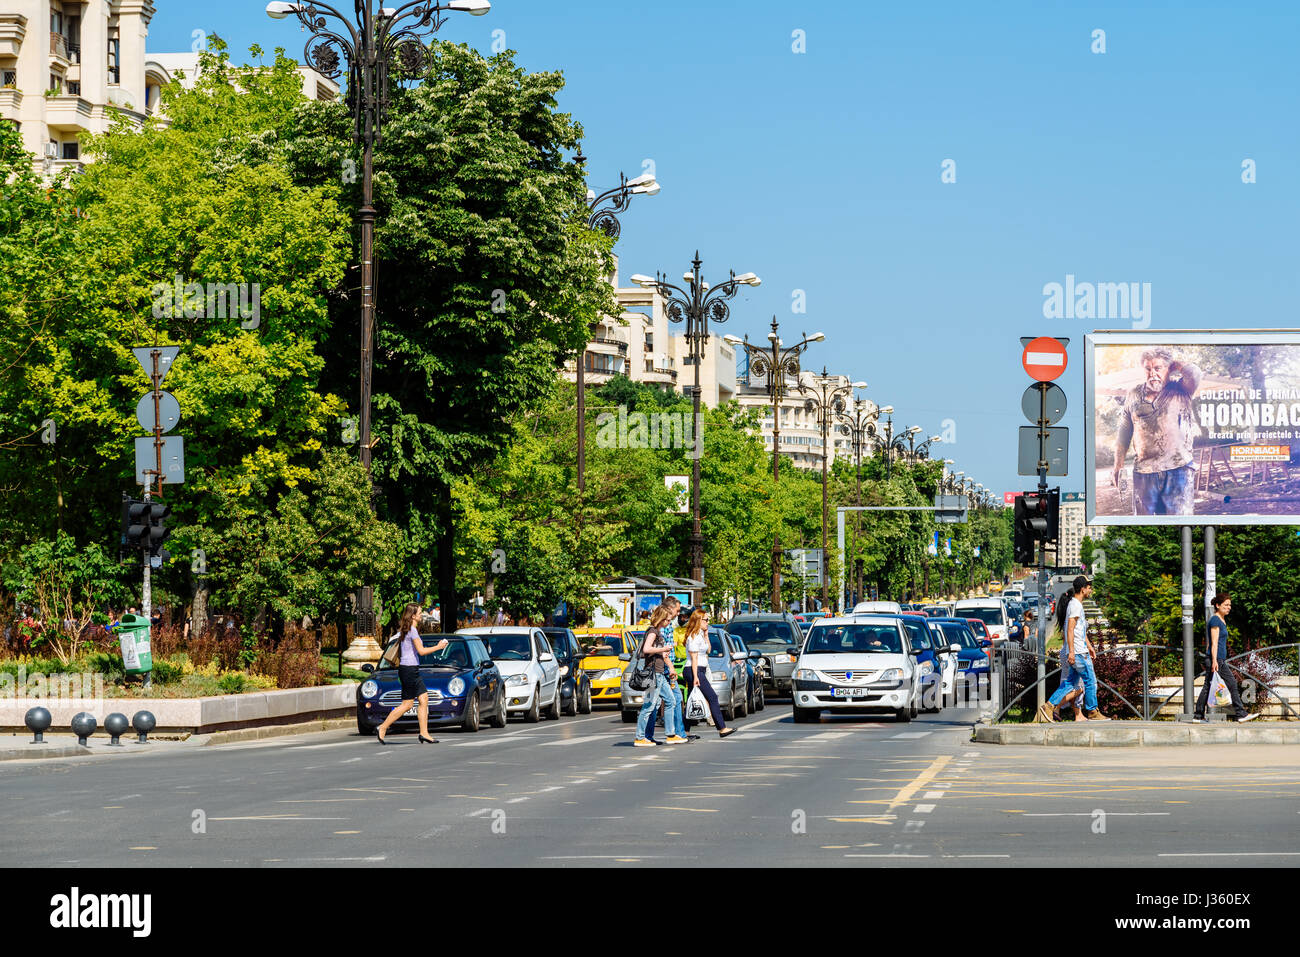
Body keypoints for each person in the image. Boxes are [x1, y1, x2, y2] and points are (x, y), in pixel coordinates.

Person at [1112, 347, 1202, 516]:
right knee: (1145, 529)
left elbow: (1196, 374)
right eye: (1148, 368)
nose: (1152, 373)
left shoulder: (1182, 389)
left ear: (1169, 369)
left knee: (1179, 526)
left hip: (1179, 469)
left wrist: (1179, 365)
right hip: (1144, 472)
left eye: (1158, 368)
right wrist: (1118, 466)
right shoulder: (1133, 394)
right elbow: (1124, 431)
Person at [374, 603, 449, 745]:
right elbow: (421, 651)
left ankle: (424, 733)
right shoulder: (412, 631)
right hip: (408, 670)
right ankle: (382, 727)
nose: (421, 615)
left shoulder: (407, 629)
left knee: (424, 699)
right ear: (413, 615)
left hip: (411, 669)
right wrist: (439, 647)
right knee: (407, 704)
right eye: (420, 613)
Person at [1037, 576, 1108, 722]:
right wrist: (1072, 651)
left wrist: (1089, 646)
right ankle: (1093, 711)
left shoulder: (1074, 604)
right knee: (1090, 680)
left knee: (1070, 683)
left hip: (1080, 650)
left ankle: (1049, 706)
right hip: (1078, 652)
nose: (1090, 590)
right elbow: (1070, 630)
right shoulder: (1076, 605)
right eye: (1089, 587)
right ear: (1082, 589)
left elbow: (1078, 631)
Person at [1194, 594, 1256, 722]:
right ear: (1217, 605)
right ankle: (1241, 714)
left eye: (1230, 605)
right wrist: (1215, 661)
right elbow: (1214, 643)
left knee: (1207, 686)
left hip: (1217, 659)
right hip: (1216, 659)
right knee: (1232, 683)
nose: (1229, 608)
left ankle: (1198, 715)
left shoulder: (1221, 620)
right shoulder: (1215, 620)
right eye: (1226, 605)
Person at [634, 598, 687, 747]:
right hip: (653, 674)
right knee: (650, 705)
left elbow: (662, 655)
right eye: (667, 620)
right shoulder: (653, 631)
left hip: (659, 672)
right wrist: (663, 649)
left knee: (670, 701)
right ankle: (640, 737)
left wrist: (670, 667)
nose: (668, 623)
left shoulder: (658, 632)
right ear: (661, 619)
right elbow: (646, 649)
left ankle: (670, 734)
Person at [682, 608, 735, 739]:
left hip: (699, 670)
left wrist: (706, 635)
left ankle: (685, 731)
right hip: (694, 670)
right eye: (705, 620)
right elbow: (694, 658)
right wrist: (695, 677)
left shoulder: (700, 635)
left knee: (691, 700)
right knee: (712, 697)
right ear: (698, 620)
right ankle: (722, 728)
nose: (707, 622)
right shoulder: (693, 637)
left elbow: (708, 650)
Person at [1050, 587, 1086, 721]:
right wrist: (1073, 651)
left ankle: (1077, 714)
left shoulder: (1067, 615)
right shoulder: (1072, 616)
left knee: (1069, 684)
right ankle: (1054, 706)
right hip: (1073, 652)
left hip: (1066, 652)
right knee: (1080, 686)